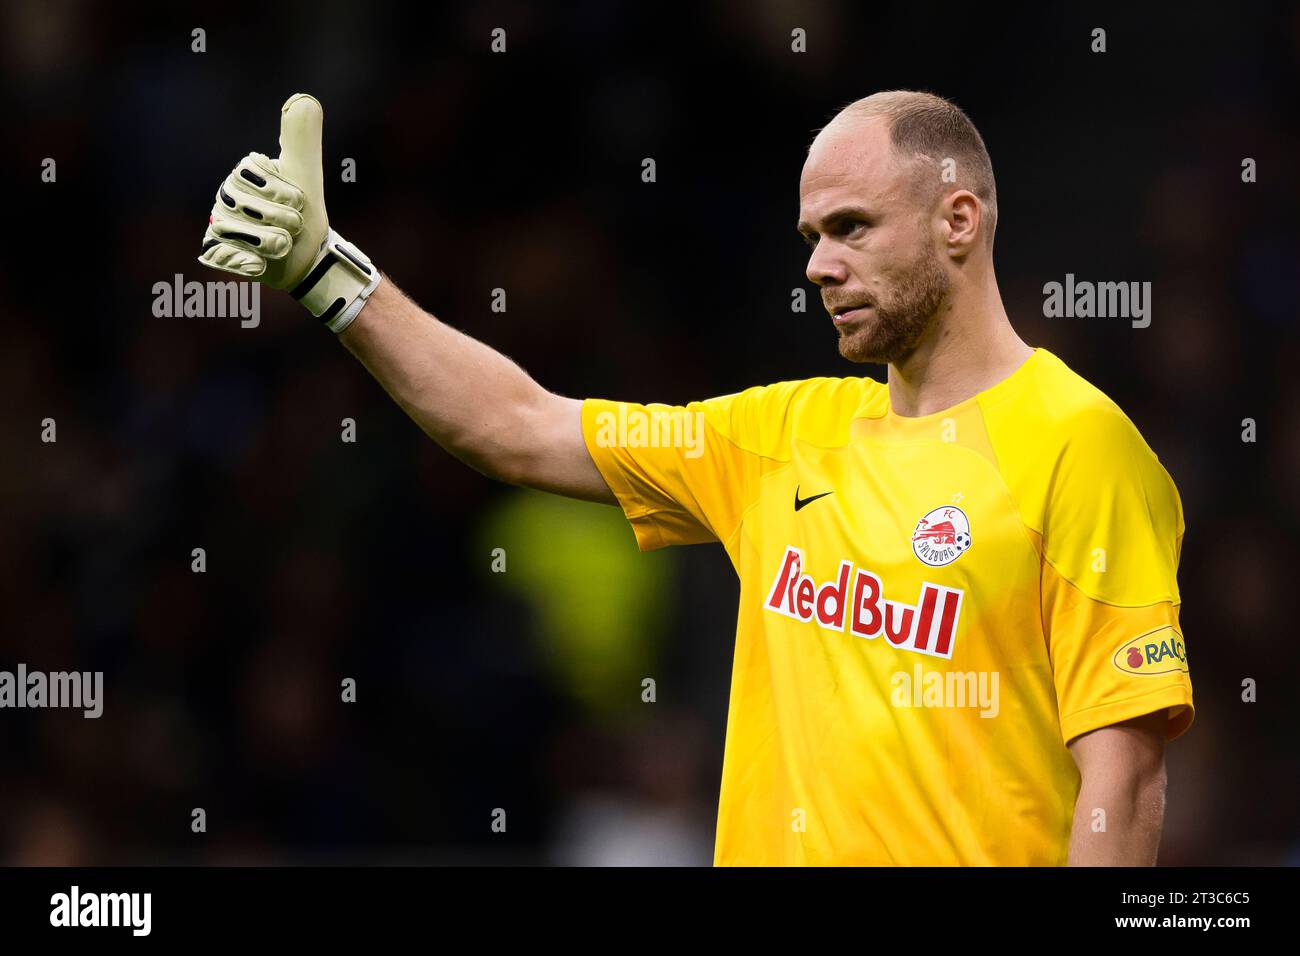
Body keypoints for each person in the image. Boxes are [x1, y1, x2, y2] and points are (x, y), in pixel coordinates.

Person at [199, 89, 1193, 866]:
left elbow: (1126, 773)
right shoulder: (777, 438)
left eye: (850, 228)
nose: (817, 267)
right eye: (810, 240)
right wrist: (330, 276)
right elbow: (514, 423)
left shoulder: (1078, 444)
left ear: (959, 221)